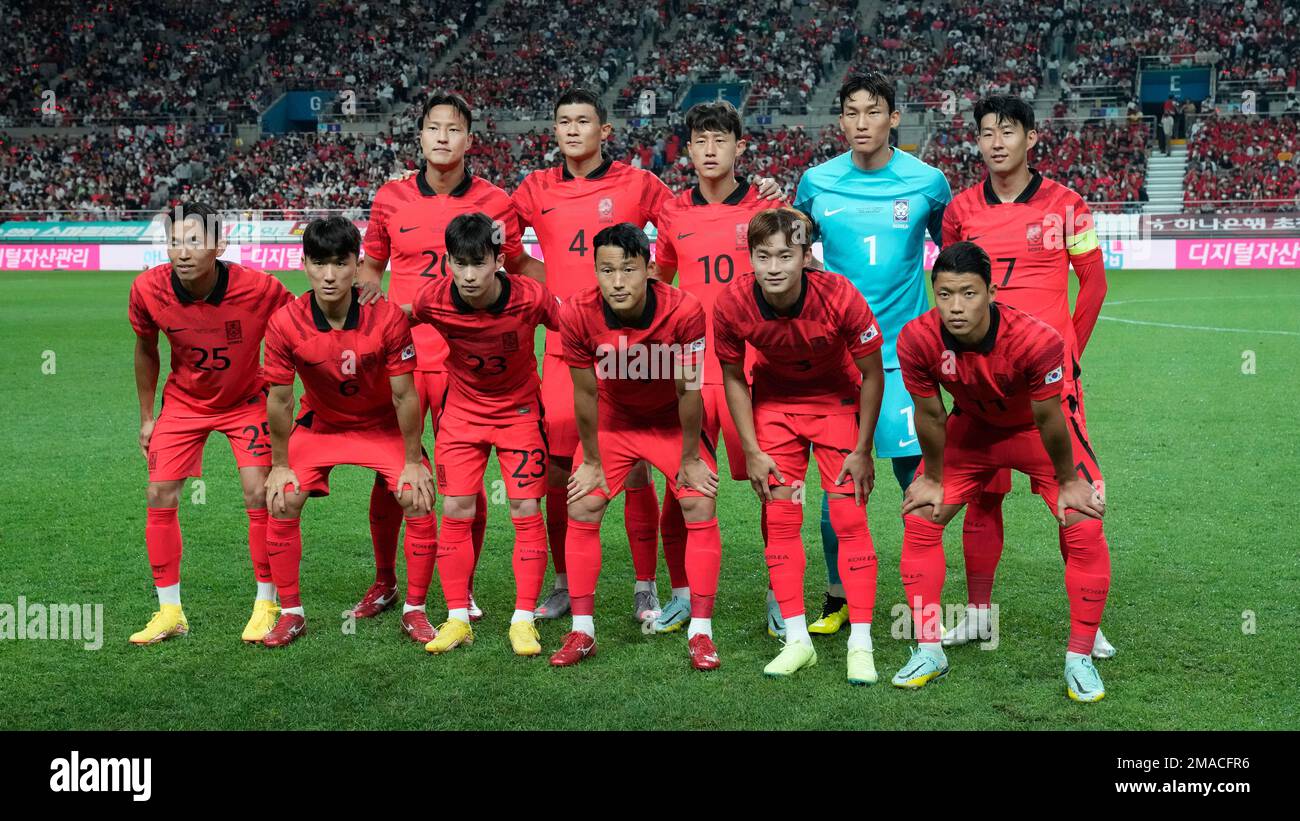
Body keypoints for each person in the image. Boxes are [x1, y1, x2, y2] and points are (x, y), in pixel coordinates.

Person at [894, 241, 1111, 703]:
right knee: (919, 519)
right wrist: (931, 476)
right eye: (945, 293)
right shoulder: (917, 338)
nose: (956, 306)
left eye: (969, 293)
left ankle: (1080, 656)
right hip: (972, 432)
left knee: (1084, 524)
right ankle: (929, 649)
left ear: (991, 291)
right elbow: (930, 415)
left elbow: (1051, 417)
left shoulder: (1036, 339)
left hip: (1037, 432)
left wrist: (1070, 482)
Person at [355, 91, 540, 623]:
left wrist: (583, 304)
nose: (442, 137)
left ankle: (465, 590)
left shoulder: (498, 203)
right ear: (420, 136)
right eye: (433, 128)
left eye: (453, 129)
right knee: (391, 472)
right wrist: (376, 323)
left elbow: (521, 267)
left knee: (469, 480)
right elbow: (370, 269)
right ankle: (386, 581)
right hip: (404, 361)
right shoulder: (390, 198)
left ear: (468, 139)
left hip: (468, 363)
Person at [940, 94, 1114, 658]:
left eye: (1007, 131)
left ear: (1031, 138)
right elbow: (953, 286)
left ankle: (1089, 623)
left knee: (1073, 498)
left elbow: (1093, 285)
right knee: (981, 499)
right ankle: (977, 615)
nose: (996, 142)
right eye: (986, 132)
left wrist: (1068, 353)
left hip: (1048, 380)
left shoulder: (1068, 205)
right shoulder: (961, 209)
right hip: (982, 379)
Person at [793, 71, 951, 638]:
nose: (862, 122)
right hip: (839, 363)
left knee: (920, 484)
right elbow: (794, 255)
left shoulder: (929, 183)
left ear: (893, 119)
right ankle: (837, 596)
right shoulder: (814, 183)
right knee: (839, 492)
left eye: (873, 111)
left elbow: (953, 261)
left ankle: (919, 603)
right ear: (841, 120)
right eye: (852, 112)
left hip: (906, 362)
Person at [714, 208, 886, 683]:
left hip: (835, 404)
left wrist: (863, 449)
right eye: (763, 256)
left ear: (805, 257)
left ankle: (861, 644)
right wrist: (751, 448)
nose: (773, 267)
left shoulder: (840, 296)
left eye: (785, 256)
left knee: (849, 518)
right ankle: (797, 639)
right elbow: (732, 376)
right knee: (781, 517)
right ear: (750, 256)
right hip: (774, 410)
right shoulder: (731, 304)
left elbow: (872, 374)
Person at [550, 223, 724, 671]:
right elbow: (585, 394)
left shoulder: (684, 310)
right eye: (607, 270)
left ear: (649, 268)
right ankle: (582, 631)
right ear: (595, 271)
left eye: (628, 269)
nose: (618, 281)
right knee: (583, 505)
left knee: (699, 503)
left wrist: (689, 458)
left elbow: (690, 390)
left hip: (671, 421)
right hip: (614, 422)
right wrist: (589, 461)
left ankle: (700, 633)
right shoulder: (577, 313)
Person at [260, 217, 437, 648]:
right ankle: (291, 613)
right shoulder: (285, 323)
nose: (329, 275)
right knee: (282, 498)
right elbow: (280, 401)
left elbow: (404, 396)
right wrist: (279, 465)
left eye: (340, 263)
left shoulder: (388, 317)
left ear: (358, 266)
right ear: (303, 264)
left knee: (417, 495)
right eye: (319, 263)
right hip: (322, 424)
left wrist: (414, 461)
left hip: (381, 425)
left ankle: (413, 608)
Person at [127, 202, 294, 645]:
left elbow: (300, 329)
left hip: (245, 400)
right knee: (159, 493)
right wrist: (147, 418)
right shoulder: (147, 289)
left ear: (219, 245)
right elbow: (146, 349)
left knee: (260, 491)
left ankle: (266, 603)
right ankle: (169, 611)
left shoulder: (260, 289)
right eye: (174, 241)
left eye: (194, 241)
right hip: (184, 402)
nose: (182, 252)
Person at [405, 213, 560, 656]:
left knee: (525, 507)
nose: (469, 275)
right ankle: (457, 617)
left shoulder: (531, 297)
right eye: (459, 263)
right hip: (463, 414)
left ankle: (523, 620)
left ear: (498, 261)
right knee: (455, 507)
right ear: (447, 263)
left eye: (479, 263)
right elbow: (400, 321)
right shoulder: (434, 299)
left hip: (520, 413)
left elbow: (574, 328)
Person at [649, 100, 775, 634]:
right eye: (699, 141)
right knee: (684, 487)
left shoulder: (768, 210)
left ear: (739, 147)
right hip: (692, 369)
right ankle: (682, 592)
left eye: (719, 140)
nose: (708, 150)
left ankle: (779, 592)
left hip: (755, 367)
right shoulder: (672, 212)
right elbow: (660, 282)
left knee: (773, 484)